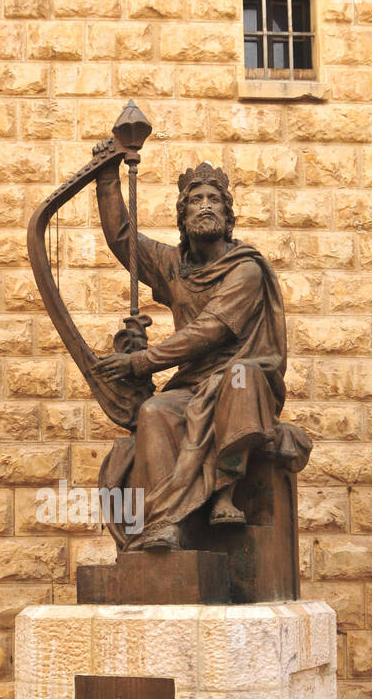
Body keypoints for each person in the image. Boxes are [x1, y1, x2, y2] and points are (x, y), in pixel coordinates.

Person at [92, 153, 310, 552]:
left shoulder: (245, 269)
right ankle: (163, 525)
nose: (205, 205)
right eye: (196, 200)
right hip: (192, 387)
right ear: (183, 216)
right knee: (154, 412)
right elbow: (122, 237)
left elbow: (208, 331)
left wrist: (141, 360)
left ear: (228, 219)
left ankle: (225, 490)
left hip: (244, 385)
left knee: (238, 376)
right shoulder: (173, 264)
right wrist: (107, 176)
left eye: (214, 199)